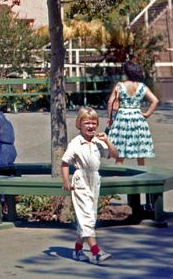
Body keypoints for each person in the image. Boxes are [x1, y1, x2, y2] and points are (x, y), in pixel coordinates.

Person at [62, 107, 118, 265]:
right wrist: (66, 181)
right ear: (79, 124)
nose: (91, 126)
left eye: (94, 123)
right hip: (81, 180)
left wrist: (107, 140)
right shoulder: (75, 143)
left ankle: (78, 250)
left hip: (94, 179)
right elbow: (65, 162)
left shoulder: (98, 142)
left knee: (89, 216)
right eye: (87, 123)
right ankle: (96, 252)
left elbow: (115, 154)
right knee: (86, 217)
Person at [106, 61, 158, 165]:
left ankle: (118, 176)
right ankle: (142, 175)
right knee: (140, 151)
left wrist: (110, 118)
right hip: (137, 118)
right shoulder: (142, 87)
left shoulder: (120, 85)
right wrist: (147, 114)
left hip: (122, 118)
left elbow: (110, 101)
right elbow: (155, 100)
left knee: (120, 152)